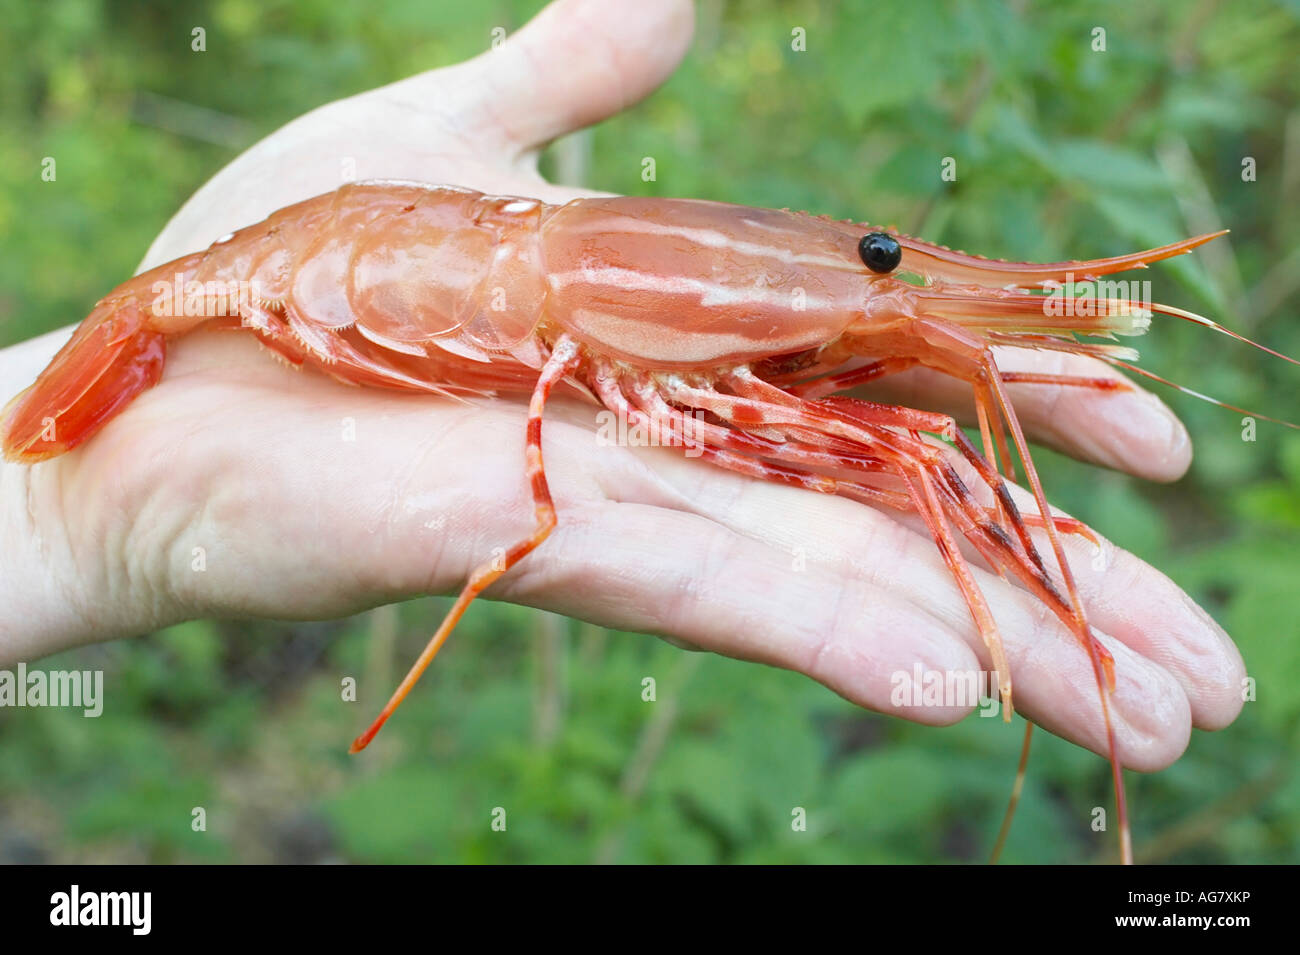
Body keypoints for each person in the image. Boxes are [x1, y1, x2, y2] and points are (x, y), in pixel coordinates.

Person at [0, 0, 1243, 768]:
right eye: (879, 257)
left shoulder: (786, 280)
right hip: (313, 265)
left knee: (918, 429)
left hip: (415, 259)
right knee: (914, 450)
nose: (886, 273)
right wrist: (37, 528)